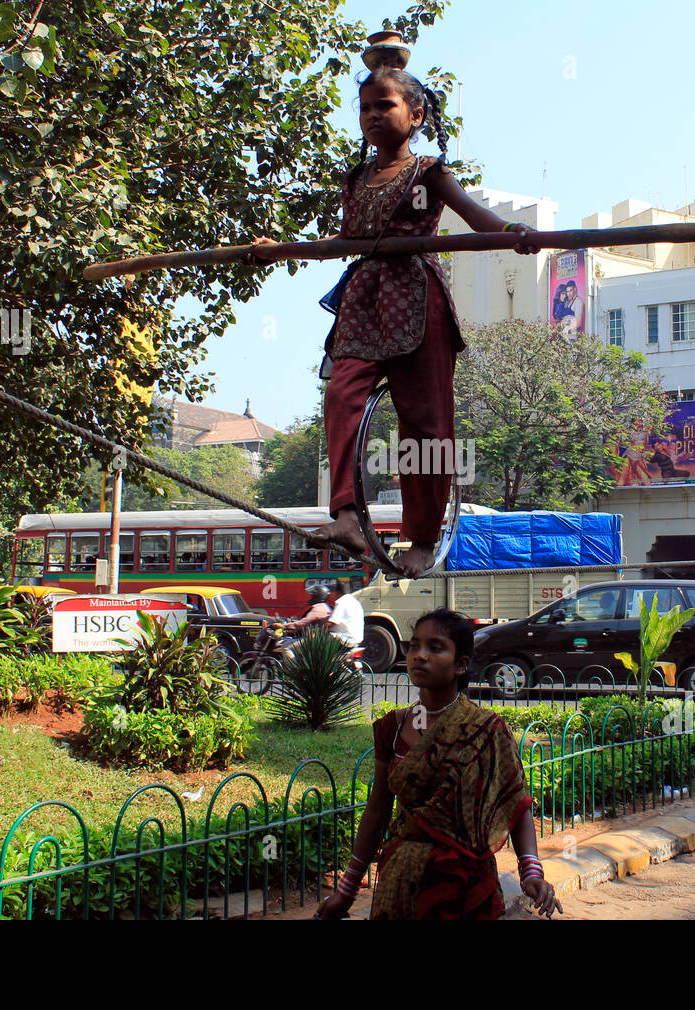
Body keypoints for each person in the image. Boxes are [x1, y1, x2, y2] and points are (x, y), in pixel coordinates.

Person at [252, 66, 538, 579]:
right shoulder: (356, 179)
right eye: (365, 108)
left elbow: (476, 218)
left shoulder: (429, 172)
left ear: (416, 114)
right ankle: (345, 515)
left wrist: (513, 232)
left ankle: (422, 538)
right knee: (341, 394)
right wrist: (279, 251)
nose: (373, 116)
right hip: (364, 298)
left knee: (425, 424)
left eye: (384, 105)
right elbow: (340, 246)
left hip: (415, 297)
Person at [315, 609, 562, 920]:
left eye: (435, 647)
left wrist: (531, 874)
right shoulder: (392, 729)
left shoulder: (486, 730)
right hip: (401, 886)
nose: (420, 656)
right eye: (415, 645)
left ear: (461, 664)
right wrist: (346, 892)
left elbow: (515, 804)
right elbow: (376, 812)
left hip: (466, 889)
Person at [327, 580, 365, 648]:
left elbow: (332, 622)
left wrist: (318, 630)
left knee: (320, 640)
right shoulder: (355, 602)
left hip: (345, 639)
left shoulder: (341, 602)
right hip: (357, 639)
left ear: (338, 592)